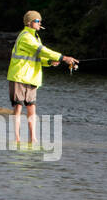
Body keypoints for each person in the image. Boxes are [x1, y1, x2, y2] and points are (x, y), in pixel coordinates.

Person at [8, 10, 77, 147]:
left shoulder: (35, 37)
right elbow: (42, 50)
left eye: (40, 21)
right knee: (18, 107)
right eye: (37, 21)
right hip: (19, 76)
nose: (40, 23)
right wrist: (63, 58)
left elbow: (39, 57)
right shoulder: (26, 37)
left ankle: (32, 139)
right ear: (29, 22)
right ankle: (16, 138)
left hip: (32, 78)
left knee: (31, 108)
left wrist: (50, 62)